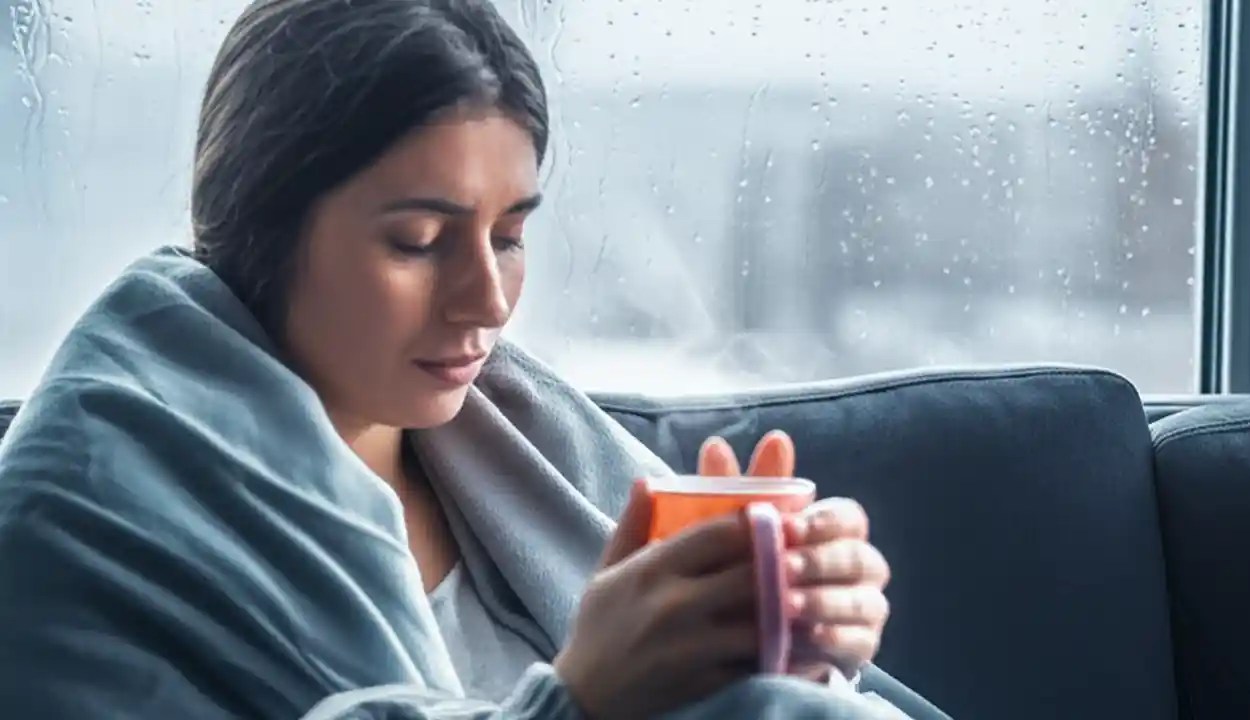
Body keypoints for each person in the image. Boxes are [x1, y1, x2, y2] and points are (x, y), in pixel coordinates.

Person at [0, 1, 950, 718]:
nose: (488, 303)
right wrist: (581, 701)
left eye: (507, 237)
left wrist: (801, 643)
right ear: (260, 230)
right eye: (418, 241)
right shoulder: (87, 522)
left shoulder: (526, 451)